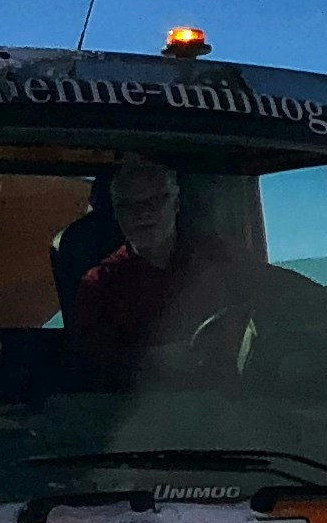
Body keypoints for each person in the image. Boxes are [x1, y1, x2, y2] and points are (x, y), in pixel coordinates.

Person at [64, 156, 279, 391]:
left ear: (176, 205)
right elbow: (90, 368)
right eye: (129, 205)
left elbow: (280, 288)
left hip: (233, 400)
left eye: (154, 201)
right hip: (139, 411)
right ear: (116, 213)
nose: (143, 214)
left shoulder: (220, 257)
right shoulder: (99, 284)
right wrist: (155, 360)